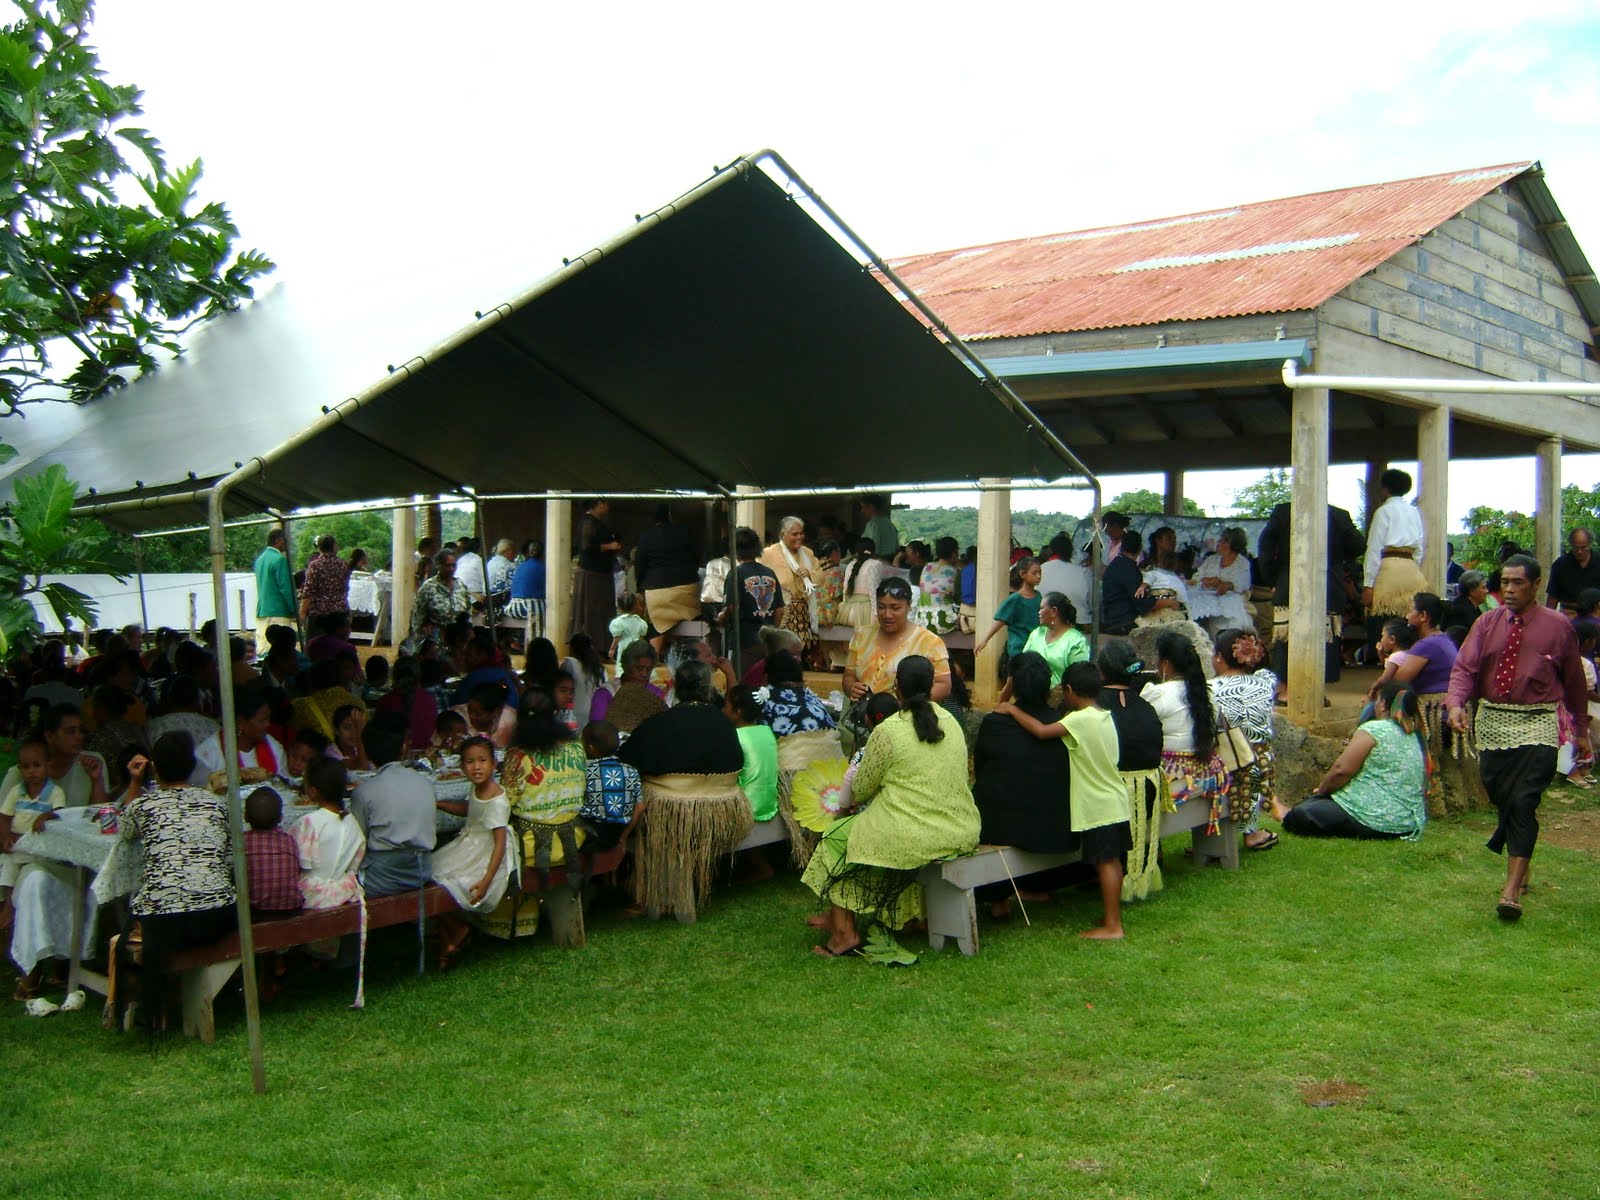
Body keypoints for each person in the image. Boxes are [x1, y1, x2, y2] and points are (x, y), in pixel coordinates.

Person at [802, 655, 980, 960]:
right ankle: (897, 918)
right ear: (931, 686)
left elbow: (861, 788)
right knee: (864, 842)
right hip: (961, 828)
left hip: (911, 832)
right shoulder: (950, 720)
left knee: (834, 839)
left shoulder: (889, 730)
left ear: (897, 688)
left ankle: (845, 933)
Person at [1447, 555, 1590, 921]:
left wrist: (1581, 731)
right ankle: (1518, 860)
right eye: (1505, 583)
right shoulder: (1486, 623)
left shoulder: (1558, 628)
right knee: (1501, 795)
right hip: (1493, 721)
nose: (1509, 590)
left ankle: (1510, 891)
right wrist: (1455, 705)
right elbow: (1465, 668)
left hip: (1540, 722)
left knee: (1524, 800)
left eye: (1518, 583)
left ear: (1537, 584)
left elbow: (1574, 682)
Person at [995, 662, 1133, 939]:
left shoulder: (1078, 720)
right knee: (1112, 862)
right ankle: (1111, 916)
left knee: (1105, 863)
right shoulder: (1104, 715)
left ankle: (1113, 926)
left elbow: (1041, 731)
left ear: (1069, 690)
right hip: (1116, 800)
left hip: (1098, 806)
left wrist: (1011, 707)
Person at [118, 737, 236, 1035]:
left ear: (154, 768)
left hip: (165, 922)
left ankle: (142, 1006)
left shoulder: (144, 805)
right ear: (193, 766)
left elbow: (123, 829)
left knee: (133, 920)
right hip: (217, 917)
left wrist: (135, 782)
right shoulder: (217, 804)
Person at [619, 660, 749, 918]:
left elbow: (627, 757)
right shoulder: (724, 722)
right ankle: (657, 892)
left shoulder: (662, 722)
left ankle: (648, 893)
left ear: (676, 688)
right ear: (708, 688)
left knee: (642, 791)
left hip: (677, 809)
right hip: (722, 807)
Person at [478, 688, 586, 937]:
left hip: (531, 846)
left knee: (484, 837)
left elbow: (504, 803)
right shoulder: (575, 748)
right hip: (572, 839)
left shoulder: (518, 756)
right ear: (554, 715)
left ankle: (503, 923)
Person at [970, 652, 1070, 918]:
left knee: (985, 802)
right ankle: (1033, 889)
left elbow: (980, 770)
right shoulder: (1062, 723)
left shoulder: (995, 723)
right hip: (1054, 826)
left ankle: (998, 899)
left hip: (1003, 825)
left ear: (1011, 683)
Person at [1270, 682, 1426, 841]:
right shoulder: (1413, 734)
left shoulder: (1375, 729)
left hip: (1377, 820)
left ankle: (1286, 815)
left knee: (1302, 814)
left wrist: (1322, 791)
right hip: (1407, 824)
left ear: (1383, 704)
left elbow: (1341, 770)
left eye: (1377, 700)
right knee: (1320, 805)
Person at [1258, 499, 1366, 688]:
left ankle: (1285, 690)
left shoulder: (1283, 511)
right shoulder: (1338, 514)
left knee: (1288, 637)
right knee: (1322, 638)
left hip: (1290, 578)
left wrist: (1273, 577)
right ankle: (1316, 690)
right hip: (1328, 581)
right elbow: (1358, 546)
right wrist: (1337, 556)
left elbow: (1265, 545)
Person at [431, 736, 515, 968]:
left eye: (482, 761)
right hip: (469, 842)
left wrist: (487, 880)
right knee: (431, 876)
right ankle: (451, 935)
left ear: (493, 764)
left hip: (486, 852)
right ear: (461, 766)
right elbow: (472, 810)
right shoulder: (477, 788)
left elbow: (499, 844)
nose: (476, 767)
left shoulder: (498, 800)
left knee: (451, 882)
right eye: (470, 762)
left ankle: (454, 936)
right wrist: (441, 804)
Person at [842, 577, 951, 749]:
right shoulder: (862, 635)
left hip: (907, 726)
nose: (887, 614)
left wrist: (907, 704)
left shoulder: (929, 642)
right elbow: (848, 676)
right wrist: (852, 687)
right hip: (864, 722)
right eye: (881, 607)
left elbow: (944, 684)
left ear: (908, 605)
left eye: (895, 608)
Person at [349, 716, 436, 897]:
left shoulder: (363, 792)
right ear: (403, 747)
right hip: (422, 870)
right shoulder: (425, 782)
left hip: (383, 876)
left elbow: (359, 840)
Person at [1142, 630, 1227, 814]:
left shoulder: (1158, 694)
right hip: (1210, 774)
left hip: (1176, 779)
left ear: (1165, 664)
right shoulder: (1208, 693)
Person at [1208, 629, 1279, 851]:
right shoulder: (1266, 681)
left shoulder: (1209, 688)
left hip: (1224, 758)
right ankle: (1252, 832)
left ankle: (1210, 836)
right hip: (1260, 757)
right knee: (1256, 760)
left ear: (1219, 657)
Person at [0, 734, 62, 929]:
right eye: (25, 767)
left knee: (30, 871)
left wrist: (45, 815)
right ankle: (9, 906)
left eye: (37, 765)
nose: (31, 771)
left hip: (38, 847)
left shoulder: (55, 792)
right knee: (6, 863)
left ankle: (14, 910)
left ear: (48, 765)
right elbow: (4, 816)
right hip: (17, 845)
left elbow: (61, 813)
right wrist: (5, 836)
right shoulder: (17, 791)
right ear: (20, 769)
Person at [0, 704, 108, 811]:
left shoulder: (94, 762)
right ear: (49, 736)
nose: (79, 736)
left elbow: (101, 817)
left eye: (81, 731)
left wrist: (96, 780)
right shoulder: (22, 770)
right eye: (71, 732)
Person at [634, 504, 702, 655]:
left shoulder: (646, 536)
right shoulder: (685, 531)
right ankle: (695, 658)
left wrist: (640, 588)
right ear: (670, 516)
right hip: (686, 584)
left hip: (656, 588)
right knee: (691, 623)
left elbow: (640, 564)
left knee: (657, 628)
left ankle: (652, 663)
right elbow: (697, 553)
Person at [1363, 468, 1427, 620]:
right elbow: (1419, 548)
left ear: (1385, 488)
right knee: (1407, 620)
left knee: (1381, 619)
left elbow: (1374, 549)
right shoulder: (1413, 512)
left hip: (1388, 569)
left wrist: (1368, 585)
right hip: (1411, 570)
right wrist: (1413, 567)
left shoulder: (1383, 511)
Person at [192, 685, 286, 787]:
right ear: (241, 723)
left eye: (268, 719)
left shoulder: (274, 747)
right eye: (262, 720)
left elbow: (285, 785)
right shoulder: (208, 754)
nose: (268, 725)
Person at [1003, 591, 1089, 696]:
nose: (1039, 612)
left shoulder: (1076, 641)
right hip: (1030, 697)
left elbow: (1078, 680)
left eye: (1042, 608)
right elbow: (1021, 667)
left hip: (1061, 701)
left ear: (1054, 611)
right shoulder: (1036, 634)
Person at [760, 516, 821, 661]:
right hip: (781, 612)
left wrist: (810, 574)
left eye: (801, 533)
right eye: (795, 534)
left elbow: (821, 575)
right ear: (782, 535)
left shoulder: (808, 553)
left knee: (801, 652)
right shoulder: (768, 554)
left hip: (803, 612)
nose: (799, 537)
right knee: (781, 651)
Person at [723, 526, 782, 670]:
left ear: (735, 549)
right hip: (766, 642)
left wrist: (720, 617)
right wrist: (772, 632)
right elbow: (780, 610)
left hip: (743, 642)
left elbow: (732, 607)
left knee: (740, 685)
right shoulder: (770, 573)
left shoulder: (736, 574)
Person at [578, 720, 641, 851]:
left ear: (590, 747)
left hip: (591, 835)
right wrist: (624, 836)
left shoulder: (584, 771)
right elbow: (640, 806)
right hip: (618, 834)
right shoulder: (631, 770)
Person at [1102, 532, 1178, 636]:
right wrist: (1169, 602)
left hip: (1111, 618)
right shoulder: (1129, 569)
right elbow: (1142, 602)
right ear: (1140, 548)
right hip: (1123, 622)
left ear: (1122, 547)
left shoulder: (1116, 564)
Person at [974, 557, 1042, 674]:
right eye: (1034, 573)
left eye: (1040, 573)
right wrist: (985, 640)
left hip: (1035, 646)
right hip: (1018, 646)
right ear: (1022, 574)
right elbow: (1000, 621)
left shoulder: (1039, 596)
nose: (1038, 576)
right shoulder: (1015, 598)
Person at [573, 499, 623, 652]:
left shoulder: (596, 523)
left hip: (600, 573)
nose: (607, 507)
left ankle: (601, 646)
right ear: (598, 504)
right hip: (592, 574)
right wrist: (610, 546)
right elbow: (586, 546)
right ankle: (590, 646)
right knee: (592, 611)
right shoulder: (588, 523)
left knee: (600, 611)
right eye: (605, 504)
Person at [243, 786, 301, 916]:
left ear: (245, 816)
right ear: (281, 818)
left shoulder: (240, 843)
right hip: (291, 909)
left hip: (255, 912)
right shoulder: (289, 841)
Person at [726, 685, 779, 825]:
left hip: (746, 810)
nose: (723, 710)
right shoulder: (767, 732)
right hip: (770, 806)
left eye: (726, 706)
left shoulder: (735, 736)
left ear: (737, 712)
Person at [591, 640, 666, 733]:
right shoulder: (606, 693)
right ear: (627, 667)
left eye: (649, 669)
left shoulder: (656, 693)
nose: (644, 674)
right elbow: (596, 731)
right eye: (639, 668)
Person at [1190, 528, 1255, 634]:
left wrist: (1226, 585)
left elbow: (1243, 584)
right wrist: (1205, 580)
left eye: (1224, 540)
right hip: (1209, 603)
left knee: (1233, 626)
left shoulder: (1242, 563)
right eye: (1220, 539)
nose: (1219, 542)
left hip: (1232, 605)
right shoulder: (1211, 560)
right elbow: (1196, 578)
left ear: (1233, 545)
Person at [374, 656, 438, 754]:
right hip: (425, 757)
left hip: (394, 757)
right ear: (419, 675)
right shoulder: (429, 700)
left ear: (394, 676)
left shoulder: (385, 701)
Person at [410, 549, 473, 646]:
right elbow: (417, 616)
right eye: (448, 565)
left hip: (459, 641)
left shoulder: (461, 585)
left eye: (454, 565)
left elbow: (468, 610)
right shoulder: (429, 587)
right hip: (437, 641)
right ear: (438, 566)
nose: (451, 569)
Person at [253, 528, 297, 649]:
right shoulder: (280, 560)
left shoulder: (259, 560)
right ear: (279, 541)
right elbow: (286, 588)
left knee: (264, 650)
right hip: (278, 612)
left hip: (263, 610)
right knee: (281, 650)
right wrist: (294, 609)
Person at [1039, 534, 1094, 629]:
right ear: (1071, 552)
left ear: (1051, 551)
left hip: (1047, 623)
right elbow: (1093, 601)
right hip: (1079, 623)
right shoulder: (1083, 572)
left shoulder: (1039, 570)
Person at [300, 534, 352, 627]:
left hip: (319, 614)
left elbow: (308, 591)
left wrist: (302, 612)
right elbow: (345, 588)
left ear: (319, 547)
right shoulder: (343, 565)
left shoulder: (315, 565)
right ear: (334, 546)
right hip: (339, 612)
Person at [1547, 527, 1600, 613]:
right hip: (1569, 612)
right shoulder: (1560, 565)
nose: (1579, 551)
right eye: (1576, 548)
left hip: (1595, 614)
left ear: (1590, 544)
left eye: (1584, 547)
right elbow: (1553, 596)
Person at [836, 539, 884, 629]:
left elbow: (845, 591)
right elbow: (873, 591)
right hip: (866, 614)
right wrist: (876, 614)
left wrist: (843, 608)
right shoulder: (875, 564)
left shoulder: (850, 564)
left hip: (847, 613)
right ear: (873, 550)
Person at [561, 633, 607, 726]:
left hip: (573, 716)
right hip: (595, 717)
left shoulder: (570, 663)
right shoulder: (601, 670)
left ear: (573, 648)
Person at [455, 682, 517, 749]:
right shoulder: (457, 715)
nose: (472, 716)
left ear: (494, 712)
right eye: (469, 710)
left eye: (477, 714)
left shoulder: (510, 719)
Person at [508, 539, 547, 640]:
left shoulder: (520, 566)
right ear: (542, 553)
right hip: (529, 607)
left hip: (514, 607)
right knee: (548, 609)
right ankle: (538, 641)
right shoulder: (541, 568)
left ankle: (519, 640)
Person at [609, 592, 649, 667]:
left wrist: (612, 649)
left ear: (619, 607)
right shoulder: (641, 622)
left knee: (624, 666)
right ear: (635, 606)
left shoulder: (618, 622)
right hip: (637, 647)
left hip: (624, 647)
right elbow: (641, 638)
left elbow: (617, 638)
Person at [858, 494, 899, 561]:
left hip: (875, 563)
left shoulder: (872, 525)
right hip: (889, 563)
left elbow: (872, 551)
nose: (862, 510)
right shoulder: (890, 524)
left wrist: (862, 553)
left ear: (871, 507)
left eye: (863, 507)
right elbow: (897, 549)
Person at [454, 536, 488, 604]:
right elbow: (485, 581)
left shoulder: (460, 560)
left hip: (457, 595)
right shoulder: (478, 560)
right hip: (473, 598)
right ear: (480, 549)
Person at [486, 538, 517, 603]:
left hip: (488, 600)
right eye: (514, 552)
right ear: (509, 551)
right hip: (502, 602)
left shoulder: (489, 563)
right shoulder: (509, 566)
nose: (515, 555)